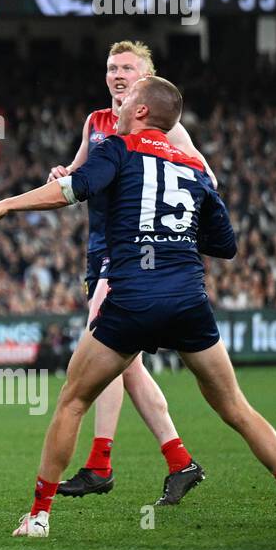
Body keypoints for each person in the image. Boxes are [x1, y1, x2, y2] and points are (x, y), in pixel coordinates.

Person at [0, 76, 276, 537]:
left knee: (73, 401)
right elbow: (226, 245)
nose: (116, 107)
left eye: (127, 101)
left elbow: (69, 191)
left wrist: (3, 206)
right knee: (237, 407)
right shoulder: (195, 168)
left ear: (142, 112)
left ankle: (38, 517)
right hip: (187, 302)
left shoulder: (118, 150)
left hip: (133, 302)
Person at [47, 40, 214, 505]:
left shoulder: (169, 128)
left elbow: (206, 178)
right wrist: (62, 175)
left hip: (131, 255)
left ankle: (102, 463)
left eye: (127, 68)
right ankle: (179, 461)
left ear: (146, 78)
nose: (117, 74)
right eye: (111, 67)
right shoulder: (97, 123)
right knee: (129, 365)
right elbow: (77, 178)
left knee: (110, 353)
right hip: (98, 251)